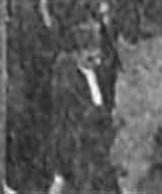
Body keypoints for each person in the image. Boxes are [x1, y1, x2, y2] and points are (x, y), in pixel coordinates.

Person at [49, 20, 119, 194]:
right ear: (76, 54)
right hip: (80, 151)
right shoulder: (68, 80)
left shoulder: (99, 74)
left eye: (98, 57)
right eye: (90, 57)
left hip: (99, 148)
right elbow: (71, 121)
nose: (96, 62)